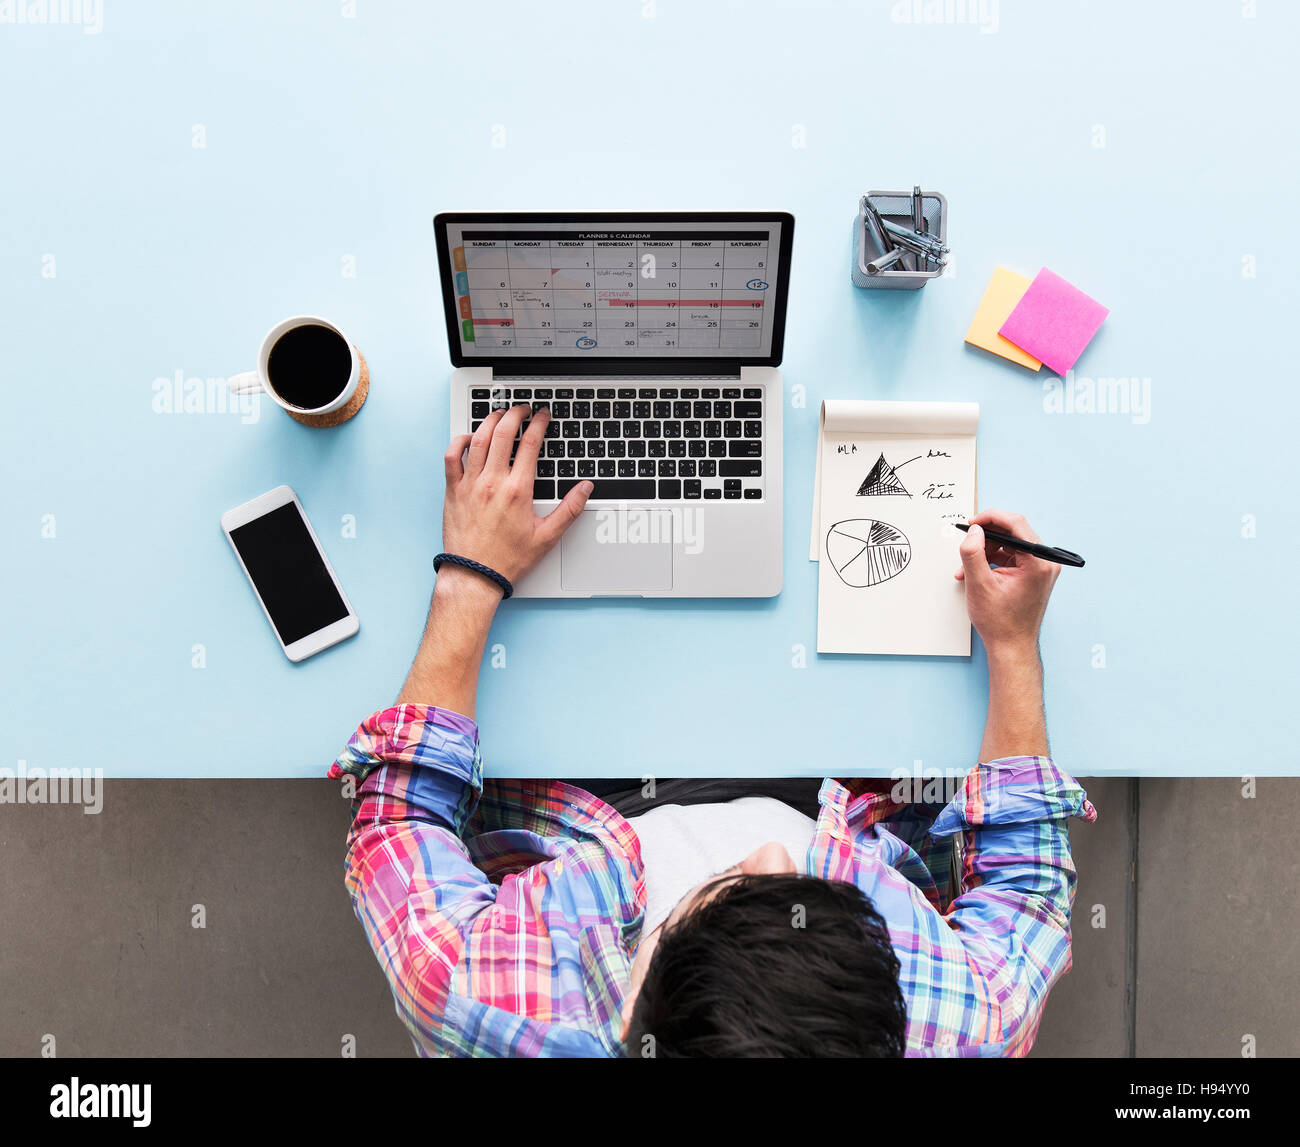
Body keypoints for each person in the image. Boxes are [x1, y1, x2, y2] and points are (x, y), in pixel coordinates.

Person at [329, 404, 1096, 1058]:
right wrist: (1011, 644)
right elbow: (1026, 887)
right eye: (809, 888)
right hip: (855, 795)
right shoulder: (963, 1025)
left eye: (729, 889)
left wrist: (468, 574)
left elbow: (397, 821)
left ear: (633, 1007)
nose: (771, 850)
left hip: (588, 799)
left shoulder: (484, 1002)